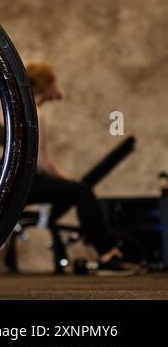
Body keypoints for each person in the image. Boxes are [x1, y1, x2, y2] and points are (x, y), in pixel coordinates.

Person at [23, 60, 135, 272]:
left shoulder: (16, 110)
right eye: (53, 82)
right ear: (48, 84)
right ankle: (106, 253)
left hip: (11, 180)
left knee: (77, 190)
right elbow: (41, 161)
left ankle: (103, 247)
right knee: (82, 191)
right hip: (24, 183)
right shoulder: (36, 112)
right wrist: (67, 179)